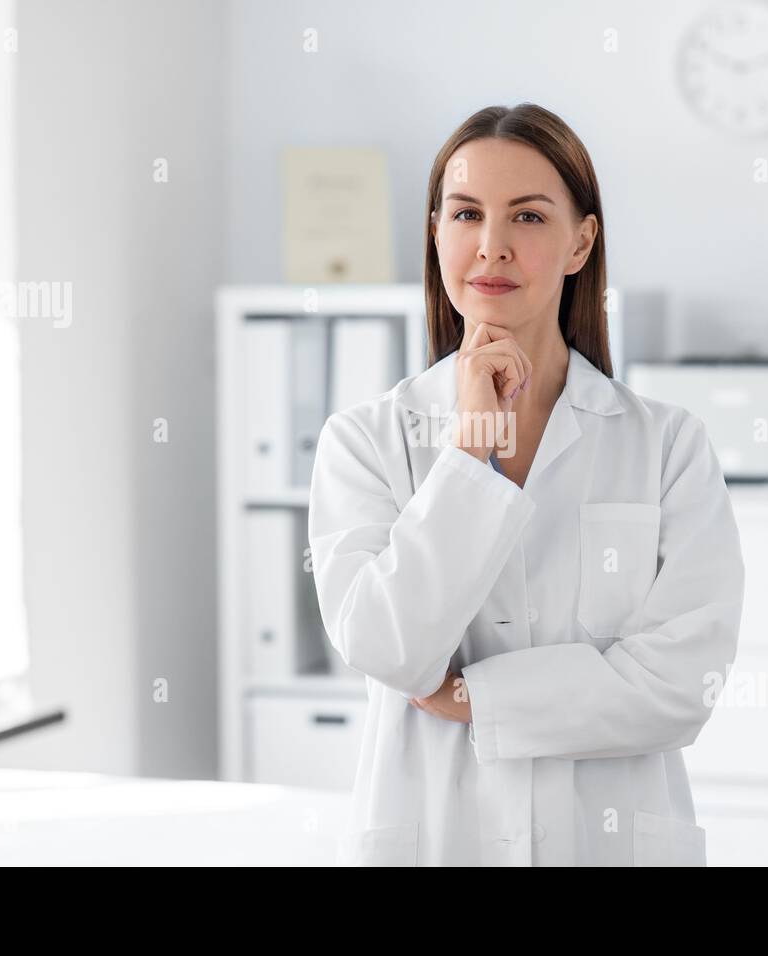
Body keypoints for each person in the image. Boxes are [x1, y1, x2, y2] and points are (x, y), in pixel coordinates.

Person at [307, 102, 745, 866]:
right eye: (467, 214)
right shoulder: (364, 443)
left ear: (582, 241)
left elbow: (683, 682)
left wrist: (477, 698)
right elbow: (389, 648)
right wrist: (471, 451)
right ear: (436, 233)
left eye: (530, 217)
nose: (492, 246)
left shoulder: (667, 446)